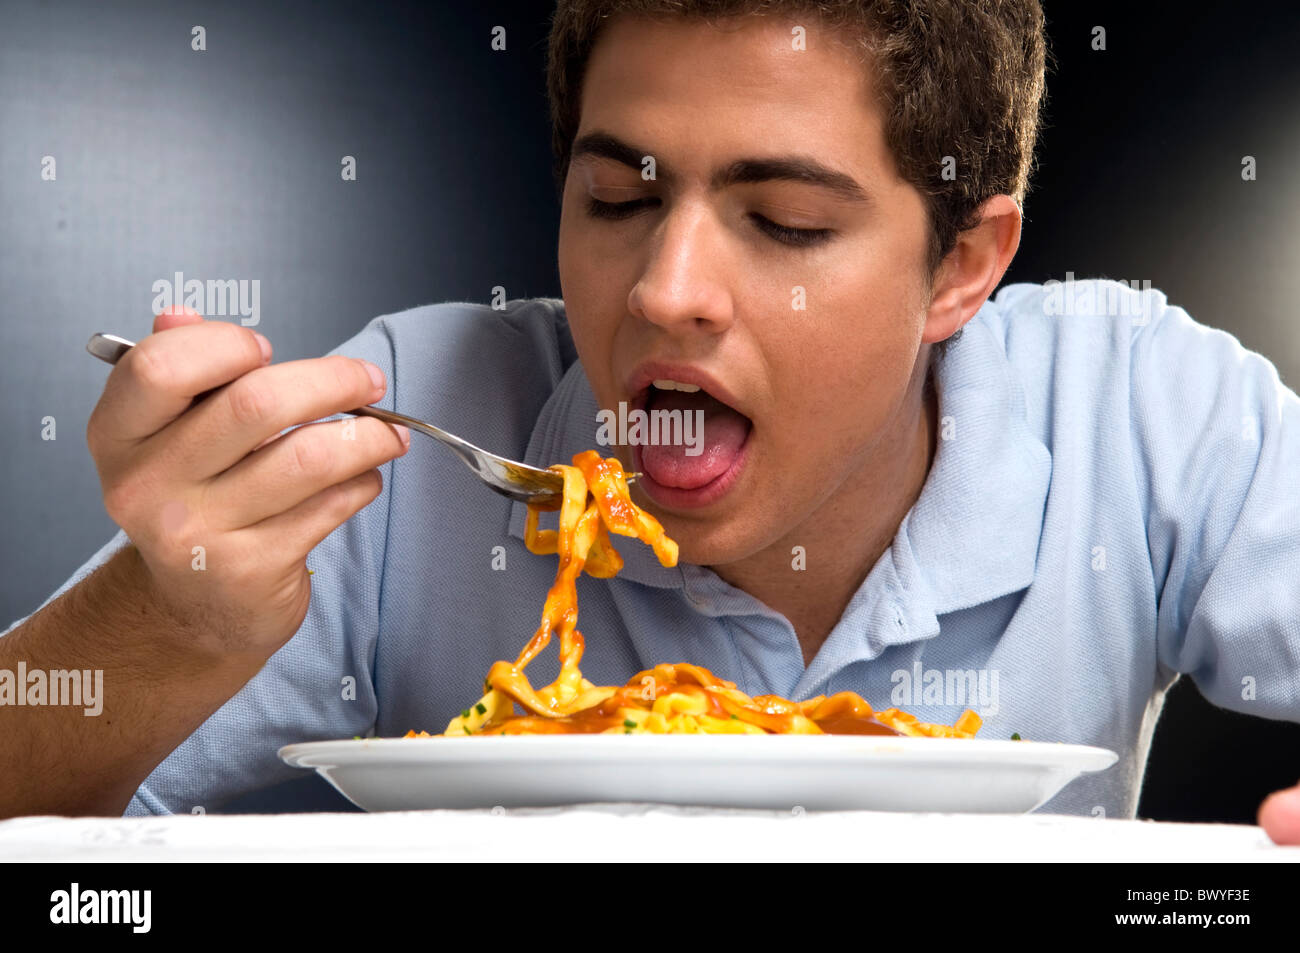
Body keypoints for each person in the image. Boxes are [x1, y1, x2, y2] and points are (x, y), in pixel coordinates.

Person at [2, 0, 1297, 843]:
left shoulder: (1144, 409)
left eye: (785, 223)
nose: (666, 293)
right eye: (619, 199)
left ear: (963, 264)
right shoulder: (414, 421)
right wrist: (163, 623)